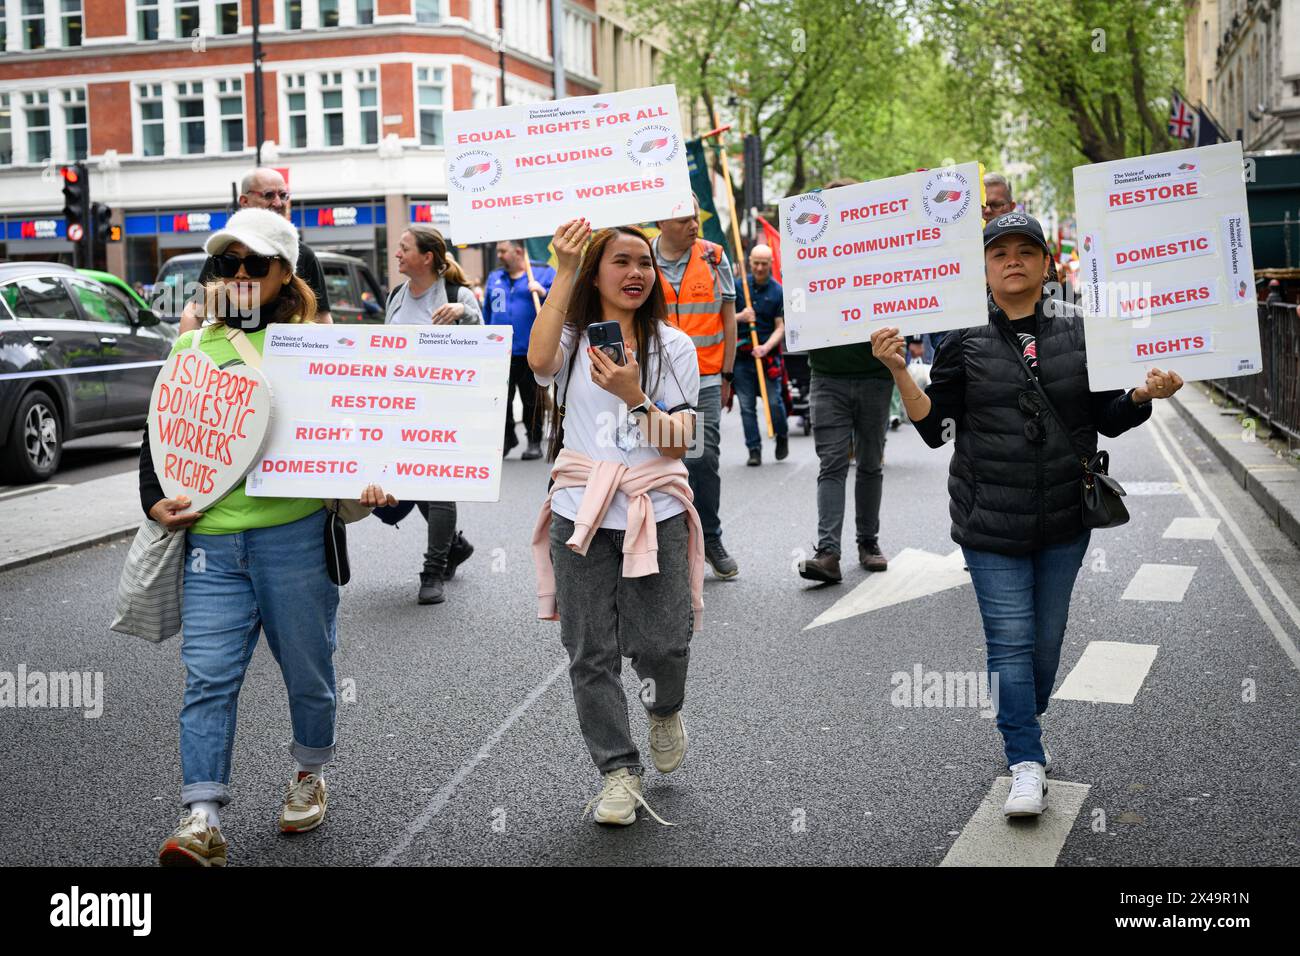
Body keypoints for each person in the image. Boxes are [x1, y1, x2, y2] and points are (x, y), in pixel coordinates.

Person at [871, 212, 1184, 819]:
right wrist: (899, 371)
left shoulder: (1082, 330)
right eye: (999, 253)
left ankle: (1020, 710)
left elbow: (1110, 414)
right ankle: (1025, 761)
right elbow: (938, 429)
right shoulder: (961, 336)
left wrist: (1146, 394)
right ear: (983, 268)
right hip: (989, 515)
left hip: (1066, 514)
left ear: (1046, 264)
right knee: (1009, 644)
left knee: (1043, 647)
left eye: (1025, 251)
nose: (1012, 260)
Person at [139, 208, 397, 866]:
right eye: (229, 263)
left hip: (295, 539)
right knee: (208, 680)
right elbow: (157, 444)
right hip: (211, 548)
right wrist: (154, 501)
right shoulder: (192, 350)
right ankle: (201, 817)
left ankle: (309, 774)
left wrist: (375, 482)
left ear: (286, 273)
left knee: (308, 675)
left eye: (258, 263)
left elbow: (362, 436)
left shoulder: (319, 348)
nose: (242, 274)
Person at [529, 218, 704, 827]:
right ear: (596, 273)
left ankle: (665, 708)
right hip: (580, 512)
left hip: (653, 511)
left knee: (662, 644)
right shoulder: (572, 337)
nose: (635, 273)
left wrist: (636, 394)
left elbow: (682, 442)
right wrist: (565, 267)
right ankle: (617, 772)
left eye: (645, 263)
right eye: (621, 262)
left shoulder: (674, 345)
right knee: (589, 652)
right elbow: (538, 360)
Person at [797, 179, 893, 584]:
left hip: (874, 376)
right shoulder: (808, 256)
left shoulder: (880, 254)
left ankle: (868, 542)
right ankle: (828, 553)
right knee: (832, 463)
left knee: (870, 463)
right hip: (829, 378)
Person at [386, 224, 481, 605]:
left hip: (445, 406)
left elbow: (488, 344)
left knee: (438, 484)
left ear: (427, 257)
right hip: (402, 406)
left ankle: (433, 570)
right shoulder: (395, 295)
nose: (397, 254)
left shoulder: (458, 295)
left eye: (404, 248)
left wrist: (464, 312)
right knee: (413, 482)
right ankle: (455, 545)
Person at [653, 198, 739, 579]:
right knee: (663, 462)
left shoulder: (715, 257)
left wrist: (728, 374)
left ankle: (711, 537)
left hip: (703, 380)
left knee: (701, 459)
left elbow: (728, 319)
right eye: (685, 218)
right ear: (662, 221)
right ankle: (668, 545)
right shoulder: (640, 256)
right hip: (655, 381)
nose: (694, 224)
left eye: (695, 216)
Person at [179, 167, 331, 332]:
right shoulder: (223, 250)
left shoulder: (304, 254)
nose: (278, 203)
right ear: (244, 201)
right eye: (269, 195)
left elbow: (322, 317)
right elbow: (194, 311)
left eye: (283, 195)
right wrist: (188, 351)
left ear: (287, 271)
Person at [485, 239, 556, 460]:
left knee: (532, 400)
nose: (499, 255)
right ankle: (507, 437)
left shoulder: (543, 273)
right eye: (498, 251)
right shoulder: (495, 277)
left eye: (503, 251)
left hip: (530, 350)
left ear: (518, 252)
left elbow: (562, 307)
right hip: (500, 350)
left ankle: (534, 441)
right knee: (500, 400)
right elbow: (487, 311)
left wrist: (544, 294)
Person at [732, 243, 789, 466]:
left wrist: (765, 347)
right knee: (746, 407)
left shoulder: (778, 292)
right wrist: (741, 316)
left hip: (767, 356)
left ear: (770, 264)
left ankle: (781, 434)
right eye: (755, 263)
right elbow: (724, 320)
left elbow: (781, 327)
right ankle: (754, 449)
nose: (759, 268)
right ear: (750, 262)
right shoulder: (739, 287)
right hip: (742, 356)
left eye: (764, 264)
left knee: (774, 403)